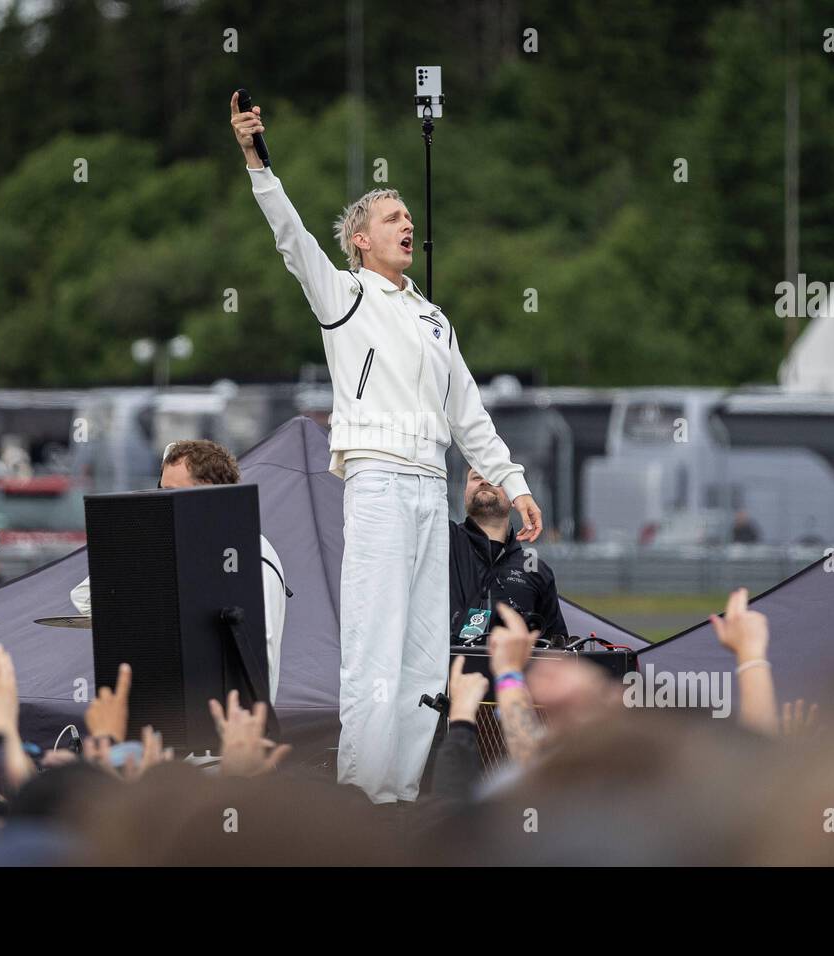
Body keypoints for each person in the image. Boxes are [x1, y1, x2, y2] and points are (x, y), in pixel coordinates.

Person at [232, 91, 542, 804]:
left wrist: (513, 481)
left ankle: (401, 799)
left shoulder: (435, 319)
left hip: (431, 489)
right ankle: (362, 800)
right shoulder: (342, 296)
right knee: (374, 650)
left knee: (424, 658)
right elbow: (289, 237)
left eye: (409, 215)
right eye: (393, 217)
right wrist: (257, 158)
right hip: (375, 483)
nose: (409, 223)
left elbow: (470, 412)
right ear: (360, 241)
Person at [70, 439, 289, 703]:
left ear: (207, 492)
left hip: (229, 724)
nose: (160, 501)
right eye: (160, 490)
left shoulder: (252, 553)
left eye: (171, 492)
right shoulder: (175, 545)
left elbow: (254, 657)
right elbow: (85, 597)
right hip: (170, 717)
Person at [449, 468, 568, 644]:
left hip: (511, 670)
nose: (485, 481)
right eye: (476, 477)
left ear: (516, 497)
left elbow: (556, 648)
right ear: (464, 493)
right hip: (447, 670)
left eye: (495, 478)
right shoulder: (441, 542)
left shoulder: (534, 568)